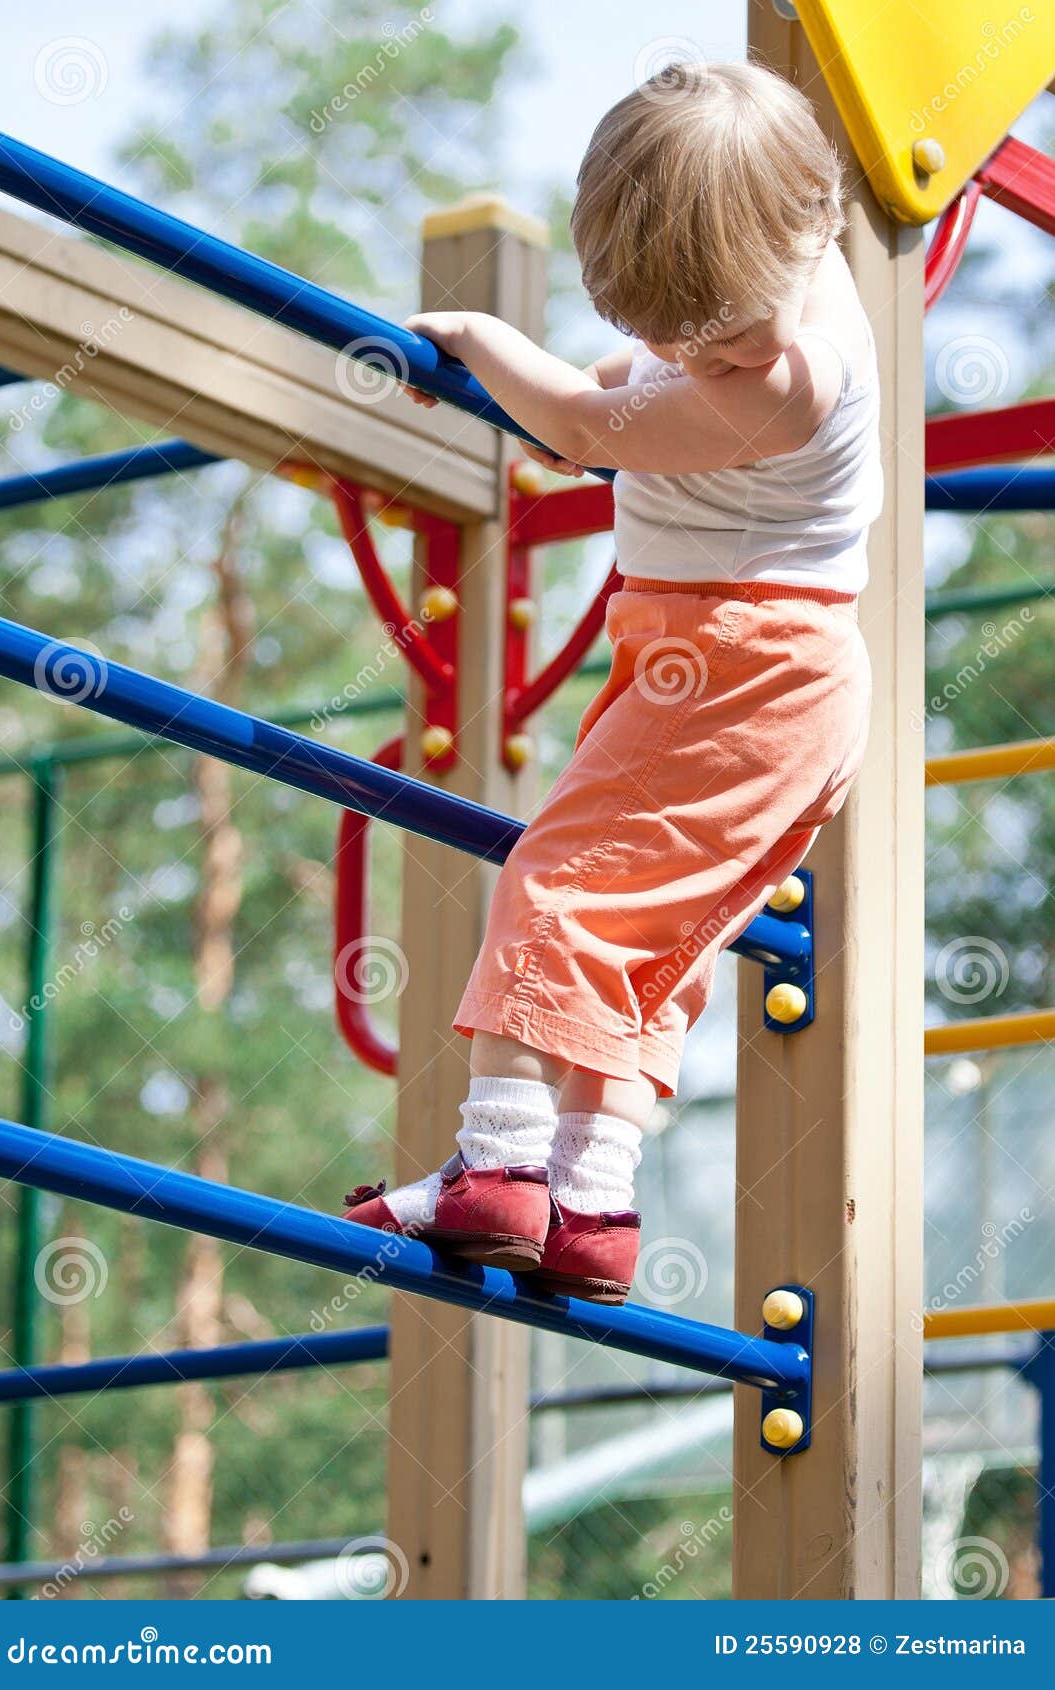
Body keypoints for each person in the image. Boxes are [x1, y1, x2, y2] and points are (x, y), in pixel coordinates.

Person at [344, 60, 879, 1304]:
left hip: (740, 661)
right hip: (767, 669)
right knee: (645, 946)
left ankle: (499, 1169)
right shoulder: (801, 234)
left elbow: (582, 429)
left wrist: (483, 342)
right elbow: (730, 166)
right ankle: (588, 1200)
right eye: (679, 339)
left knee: (559, 881)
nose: (722, 356)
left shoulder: (787, 385)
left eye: (722, 338)